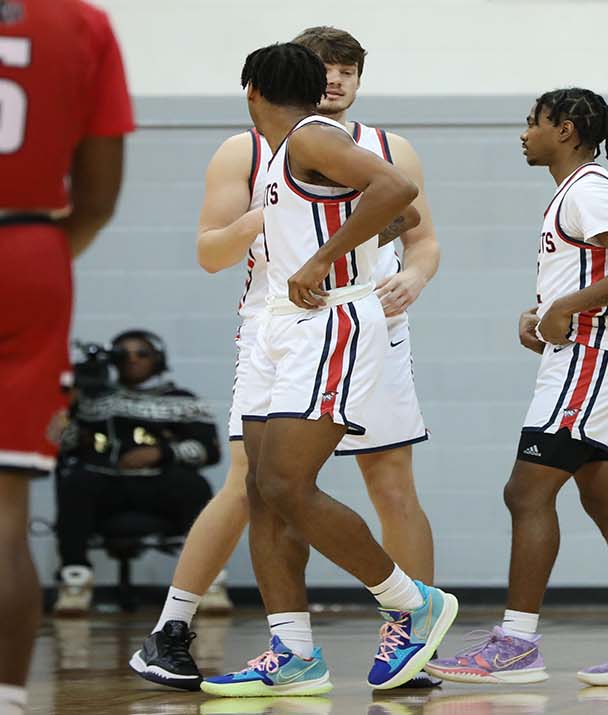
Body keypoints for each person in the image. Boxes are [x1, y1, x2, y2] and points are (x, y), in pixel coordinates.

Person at [129, 25, 441, 693]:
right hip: (275, 325)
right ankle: (294, 650)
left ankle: (413, 603)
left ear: (253, 91)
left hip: (327, 323)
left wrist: (328, 257)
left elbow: (398, 196)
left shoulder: (311, 137)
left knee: (292, 485)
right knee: (263, 489)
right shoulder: (271, 151)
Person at [426, 88, 608, 687]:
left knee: (525, 494)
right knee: (607, 499)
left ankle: (517, 643)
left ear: (568, 129)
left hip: (593, 356)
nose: (524, 132)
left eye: (534, 122)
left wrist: (569, 307)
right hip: (594, 351)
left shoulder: (590, 189)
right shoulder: (574, 193)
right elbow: (599, 272)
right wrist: (546, 312)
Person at [0, 0, 133, 711]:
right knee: (5, 511)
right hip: (29, 251)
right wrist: (42, 259)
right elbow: (100, 195)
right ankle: (9, 697)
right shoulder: (79, 22)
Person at [53, 330, 218, 615]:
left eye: (141, 353)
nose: (132, 360)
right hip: (107, 484)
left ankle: (208, 581)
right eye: (123, 354)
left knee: (195, 486)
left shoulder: (182, 399)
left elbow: (209, 451)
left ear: (157, 358)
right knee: (74, 482)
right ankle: (75, 578)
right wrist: (72, 400)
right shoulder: (93, 398)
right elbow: (62, 444)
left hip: (160, 485)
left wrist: (162, 453)